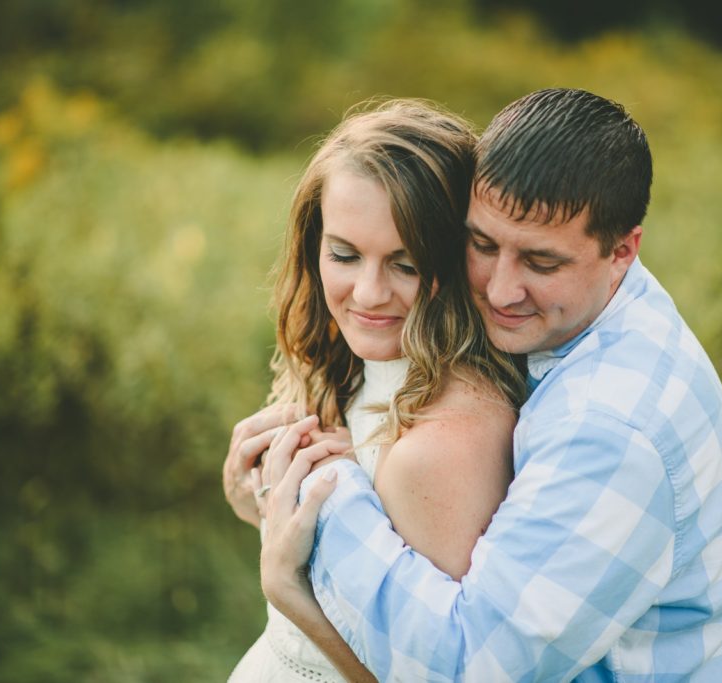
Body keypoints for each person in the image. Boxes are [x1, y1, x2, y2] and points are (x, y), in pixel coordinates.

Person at [257, 88, 722, 680]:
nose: (498, 291)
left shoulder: (609, 431)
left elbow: (473, 667)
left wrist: (322, 499)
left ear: (623, 249)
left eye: (540, 263)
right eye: (483, 245)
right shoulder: (586, 315)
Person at [222, 99, 525, 681]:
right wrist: (257, 496)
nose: (366, 293)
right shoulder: (354, 362)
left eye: (405, 263)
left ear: (456, 262)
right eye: (343, 254)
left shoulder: (439, 445)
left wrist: (287, 587)